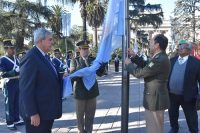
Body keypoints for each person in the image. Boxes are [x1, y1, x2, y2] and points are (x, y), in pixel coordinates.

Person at [19, 28, 63, 133]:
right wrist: (32, 113)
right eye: (50, 40)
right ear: (40, 41)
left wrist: (62, 76)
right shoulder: (31, 57)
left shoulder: (44, 56)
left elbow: (47, 77)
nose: (52, 42)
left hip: (46, 111)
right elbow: (26, 89)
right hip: (38, 114)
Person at [125, 34, 171, 133]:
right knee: (152, 128)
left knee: (155, 129)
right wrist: (134, 56)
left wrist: (129, 65)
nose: (149, 45)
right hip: (154, 99)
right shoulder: (158, 57)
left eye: (151, 42)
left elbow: (140, 73)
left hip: (155, 101)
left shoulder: (159, 60)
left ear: (157, 45)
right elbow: (147, 66)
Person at [70, 40, 105, 133]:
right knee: (80, 116)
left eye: (87, 48)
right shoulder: (75, 61)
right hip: (80, 93)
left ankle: (89, 131)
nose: (85, 50)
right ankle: (81, 131)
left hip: (92, 92)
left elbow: (100, 73)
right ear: (79, 50)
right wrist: (83, 69)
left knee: (90, 116)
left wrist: (102, 66)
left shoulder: (94, 60)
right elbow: (72, 76)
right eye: (83, 49)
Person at [168, 40, 200, 133]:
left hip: (188, 96)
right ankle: (174, 128)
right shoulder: (172, 60)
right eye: (179, 47)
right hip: (172, 95)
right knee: (172, 114)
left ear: (189, 50)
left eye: (183, 47)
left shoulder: (196, 63)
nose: (180, 49)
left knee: (191, 117)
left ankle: (193, 130)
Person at [0, 39, 24, 130]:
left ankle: (16, 119)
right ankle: (9, 122)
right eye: (11, 48)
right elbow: (3, 73)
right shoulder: (2, 59)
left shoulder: (16, 59)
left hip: (17, 82)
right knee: (9, 103)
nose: (14, 50)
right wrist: (14, 71)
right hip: (9, 83)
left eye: (13, 48)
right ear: (6, 49)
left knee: (16, 102)